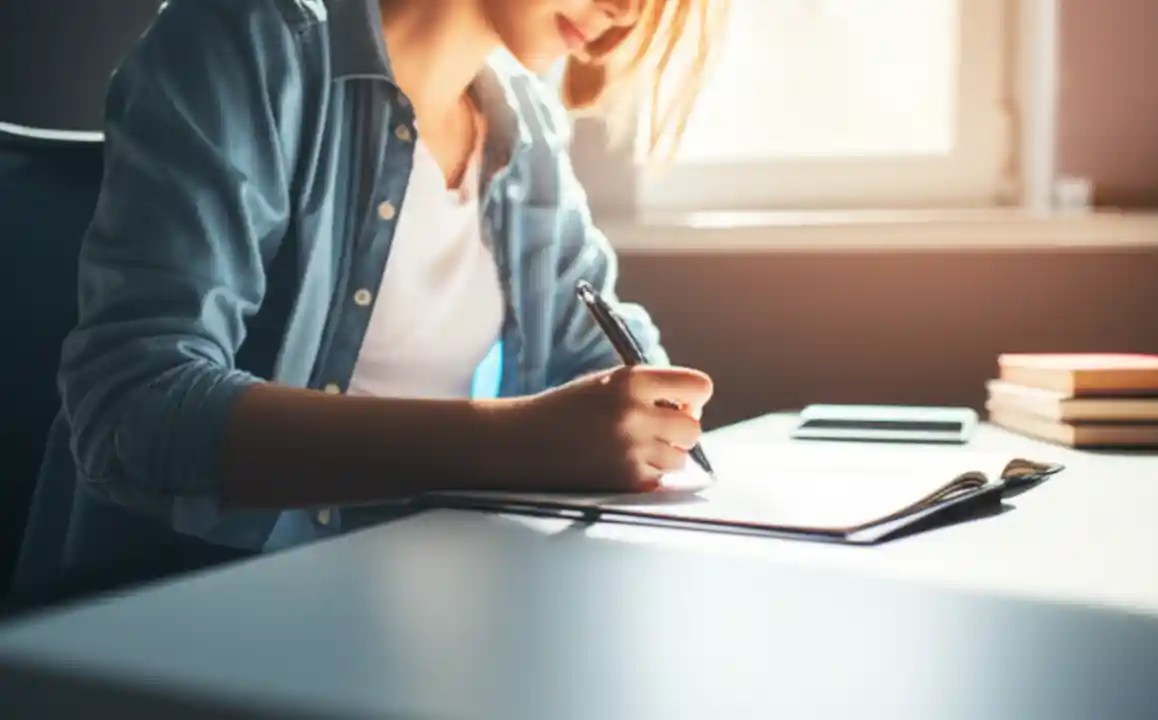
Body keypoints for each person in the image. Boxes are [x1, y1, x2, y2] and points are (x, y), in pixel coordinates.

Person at [14, 0, 725, 601]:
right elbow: (134, 408)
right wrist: (520, 440)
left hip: (410, 607)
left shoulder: (527, 130)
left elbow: (606, 369)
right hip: (180, 618)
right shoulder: (254, 39)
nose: (629, 10)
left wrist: (641, 417)